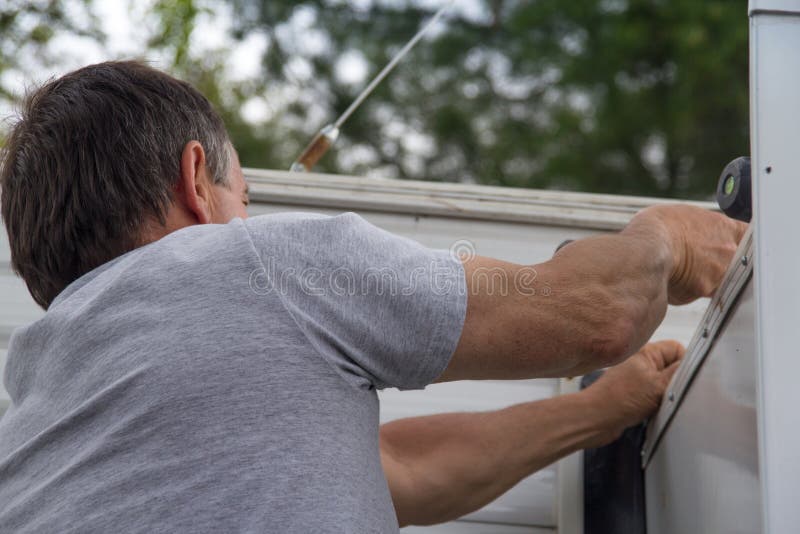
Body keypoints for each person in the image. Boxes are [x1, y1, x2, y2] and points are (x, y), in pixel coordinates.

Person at [0, 61, 745, 533]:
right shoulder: (257, 264)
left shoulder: (30, 431)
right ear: (196, 182)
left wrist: (597, 412)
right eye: (243, 194)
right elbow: (592, 308)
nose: (248, 219)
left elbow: (406, 476)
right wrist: (669, 240)